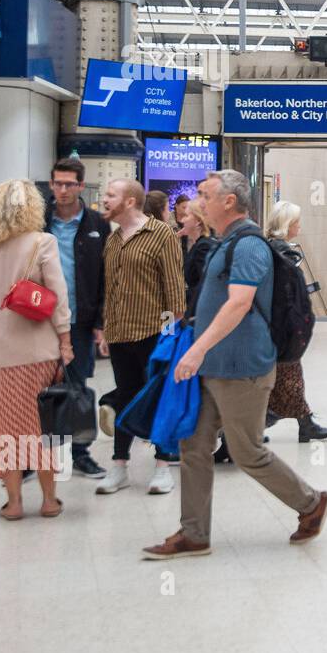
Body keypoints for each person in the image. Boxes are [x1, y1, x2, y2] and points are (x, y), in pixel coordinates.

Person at [143, 170, 327, 559]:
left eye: (205, 194)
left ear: (229, 201)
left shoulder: (248, 246)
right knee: (194, 444)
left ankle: (311, 503)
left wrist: (196, 351)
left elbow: (239, 303)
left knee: (247, 451)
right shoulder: (222, 243)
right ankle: (193, 533)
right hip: (212, 365)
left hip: (243, 367)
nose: (198, 200)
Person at [0, 180, 72, 519]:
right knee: (40, 427)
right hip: (37, 351)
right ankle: (49, 500)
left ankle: (13, 503)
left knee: (4, 429)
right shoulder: (42, 242)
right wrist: (66, 340)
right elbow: (57, 295)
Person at [96, 178, 186, 497]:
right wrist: (106, 328)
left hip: (153, 332)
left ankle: (163, 466)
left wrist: (170, 334)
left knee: (159, 396)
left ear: (130, 201)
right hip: (120, 331)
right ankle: (119, 465)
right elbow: (110, 288)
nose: (104, 199)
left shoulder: (160, 234)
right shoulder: (113, 239)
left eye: (110, 194)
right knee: (125, 396)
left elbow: (174, 287)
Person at [44, 157, 110, 479]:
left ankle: (79, 452)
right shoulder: (41, 220)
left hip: (80, 320)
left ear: (81, 186)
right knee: (39, 385)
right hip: (40, 318)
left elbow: (106, 278)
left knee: (77, 386)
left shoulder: (97, 224)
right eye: (58, 183)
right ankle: (40, 456)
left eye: (70, 184)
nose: (63, 190)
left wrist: (100, 322)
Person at [263, 201, 327, 443]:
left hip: (279, 325)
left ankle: (303, 423)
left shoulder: (274, 248)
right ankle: (259, 424)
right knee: (286, 376)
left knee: (288, 376)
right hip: (282, 327)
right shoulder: (282, 252)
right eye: (296, 222)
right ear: (288, 224)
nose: (299, 226)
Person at [178, 198, 217, 312]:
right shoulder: (198, 244)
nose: (182, 220)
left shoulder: (203, 247)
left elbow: (204, 285)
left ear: (198, 221)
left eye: (186, 216)